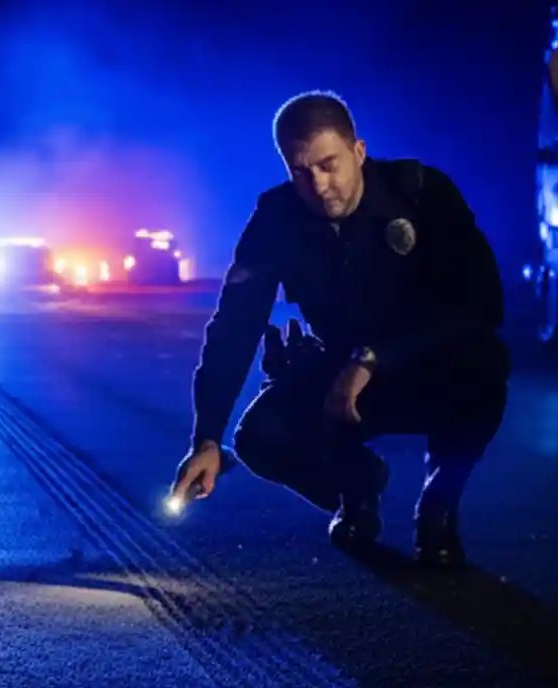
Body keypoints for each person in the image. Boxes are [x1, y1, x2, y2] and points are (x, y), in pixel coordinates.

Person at [170, 90, 510, 568]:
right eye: (300, 172)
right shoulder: (276, 219)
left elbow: (481, 303)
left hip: (426, 364)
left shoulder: (421, 193)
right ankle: (357, 491)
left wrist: (373, 357)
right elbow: (234, 325)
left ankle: (439, 504)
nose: (319, 185)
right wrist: (206, 438)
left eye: (329, 165)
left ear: (358, 151)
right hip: (338, 382)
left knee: (486, 363)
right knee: (259, 438)